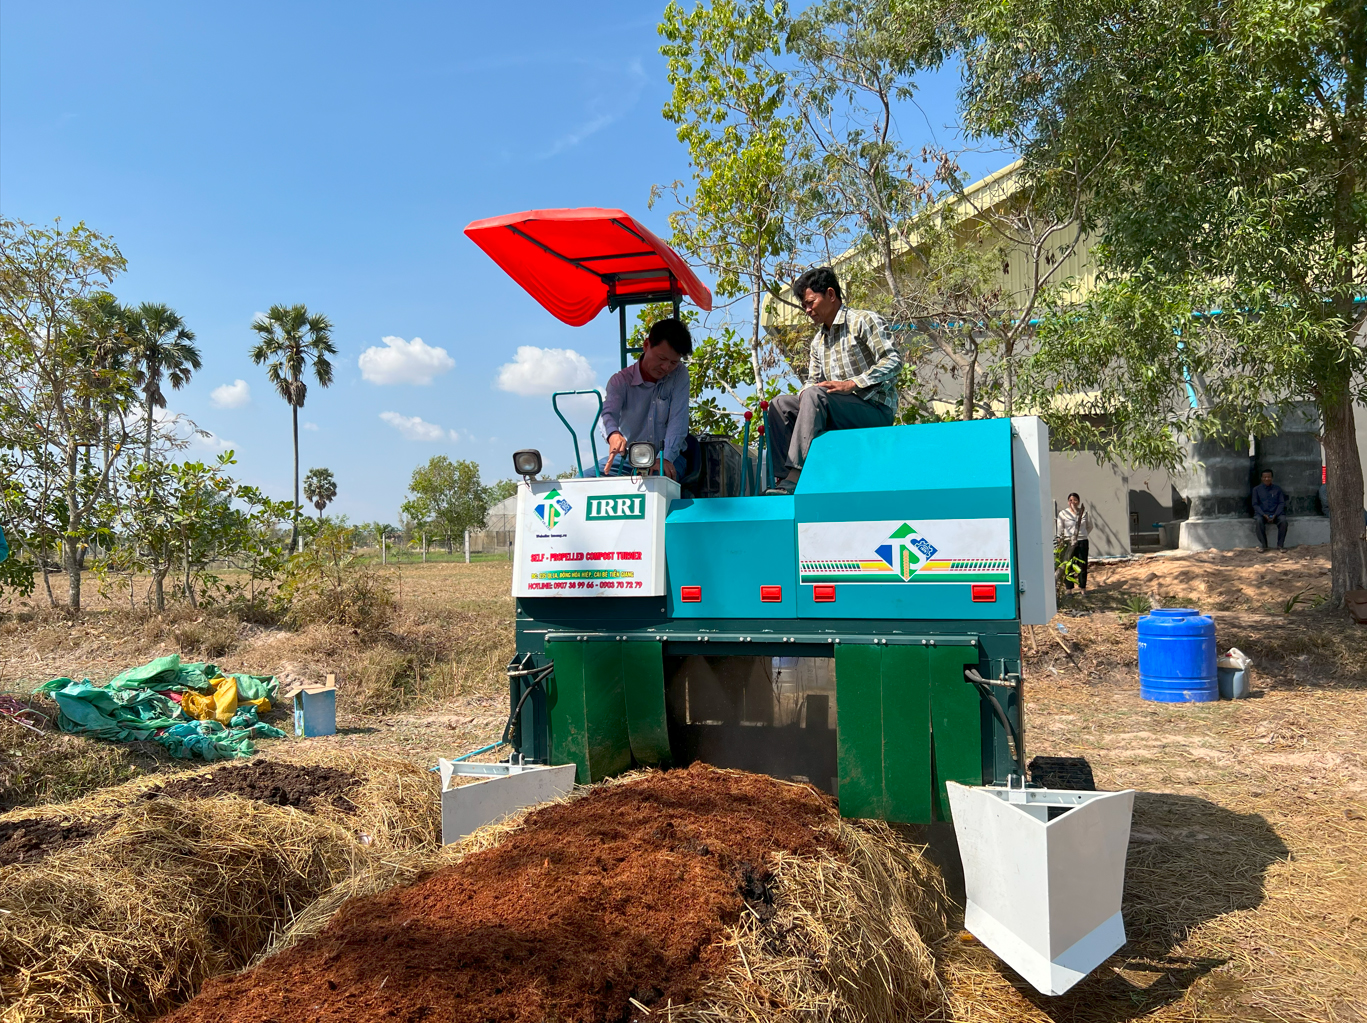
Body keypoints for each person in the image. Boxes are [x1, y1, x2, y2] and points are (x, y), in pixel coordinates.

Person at [764, 266, 902, 494]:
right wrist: (805, 396)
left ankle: (796, 477)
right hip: (836, 411)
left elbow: (893, 361)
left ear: (830, 294)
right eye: (804, 306)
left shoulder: (863, 321)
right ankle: (783, 477)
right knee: (780, 404)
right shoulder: (818, 342)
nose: (807, 310)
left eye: (810, 302)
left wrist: (853, 383)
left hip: (874, 410)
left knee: (814, 395)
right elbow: (811, 382)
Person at [598, 317, 692, 479]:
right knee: (582, 482)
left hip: (668, 459)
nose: (666, 367)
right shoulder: (619, 381)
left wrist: (665, 458)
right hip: (629, 460)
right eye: (662, 359)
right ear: (646, 345)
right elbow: (607, 414)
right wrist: (613, 434)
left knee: (657, 481)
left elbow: (678, 421)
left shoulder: (679, 375)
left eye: (673, 362)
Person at [1056, 493, 1091, 595]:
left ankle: (1082, 588)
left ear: (1078, 502)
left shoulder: (1084, 513)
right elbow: (1060, 527)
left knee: (1082, 565)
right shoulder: (1063, 514)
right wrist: (1059, 537)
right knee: (1068, 565)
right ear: (1068, 502)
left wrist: (1082, 535)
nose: (1073, 502)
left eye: (1075, 500)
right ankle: (1069, 589)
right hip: (1068, 541)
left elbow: (1090, 526)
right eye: (1070, 500)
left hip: (1082, 541)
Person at [1252, 469, 1287, 550]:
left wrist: (1275, 514)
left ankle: (1280, 545)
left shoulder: (1277, 489)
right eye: (1265, 477)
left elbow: (1281, 503)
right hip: (1262, 514)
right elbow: (1255, 504)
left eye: (1269, 477)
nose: (1267, 479)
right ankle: (1264, 545)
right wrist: (1263, 514)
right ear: (1262, 478)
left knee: (1283, 521)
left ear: (1272, 478)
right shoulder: (1256, 490)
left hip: (1276, 514)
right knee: (1259, 521)